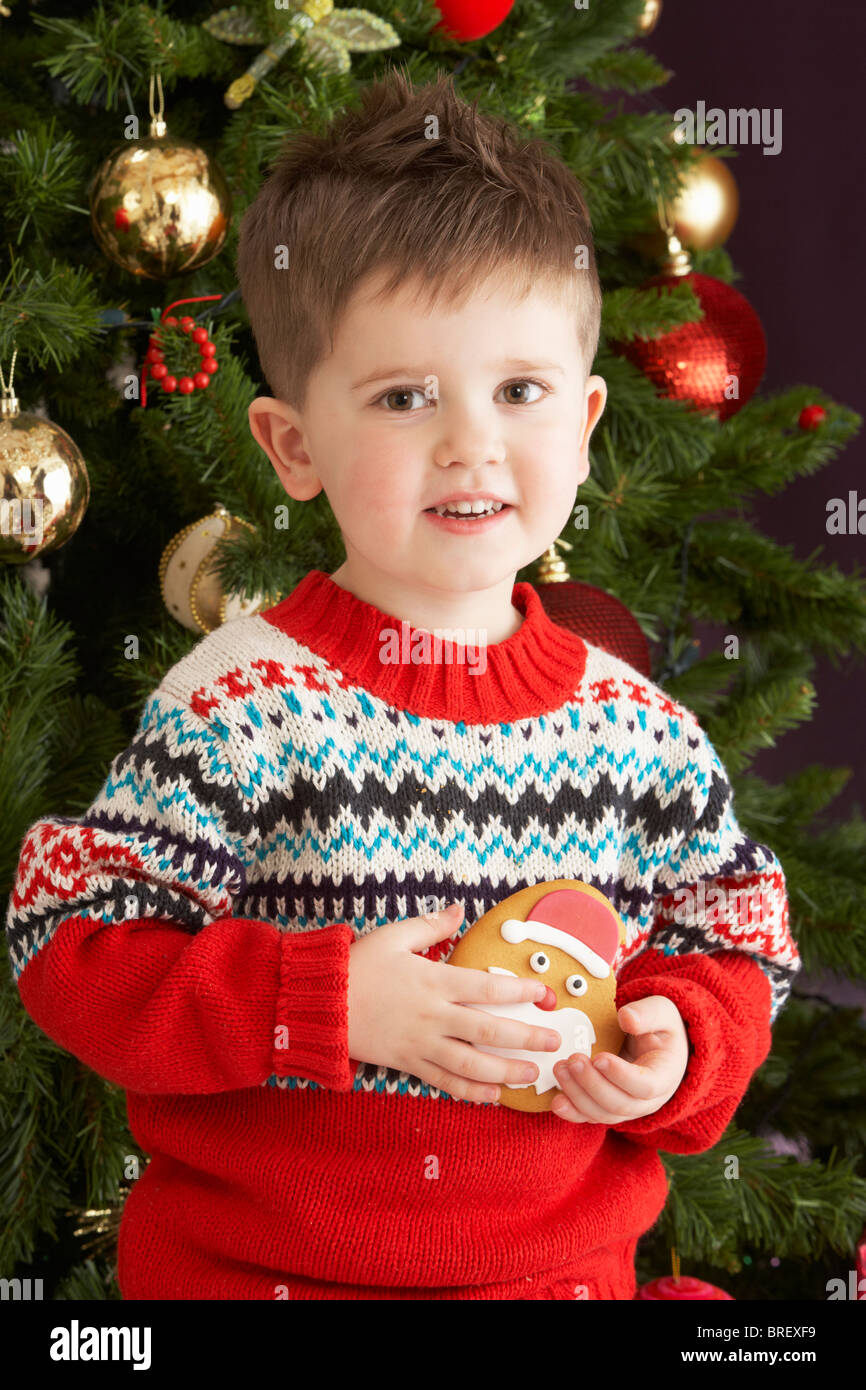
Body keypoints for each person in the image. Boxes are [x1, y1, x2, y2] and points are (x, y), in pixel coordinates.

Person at [5, 66, 800, 1301]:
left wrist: (678, 1041)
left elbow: (733, 934)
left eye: (519, 391)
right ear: (295, 445)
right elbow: (75, 941)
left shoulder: (638, 733)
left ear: (584, 421)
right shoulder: (242, 706)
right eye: (402, 396)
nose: (470, 442)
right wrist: (325, 1000)